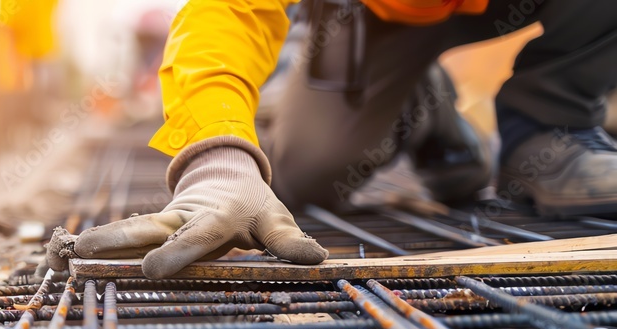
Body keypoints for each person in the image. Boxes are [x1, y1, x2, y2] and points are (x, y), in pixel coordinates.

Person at [63, 0, 617, 280]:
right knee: (308, 175)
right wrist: (219, 155)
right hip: (371, 16)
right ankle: (423, 103)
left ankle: (551, 128)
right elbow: (226, 13)